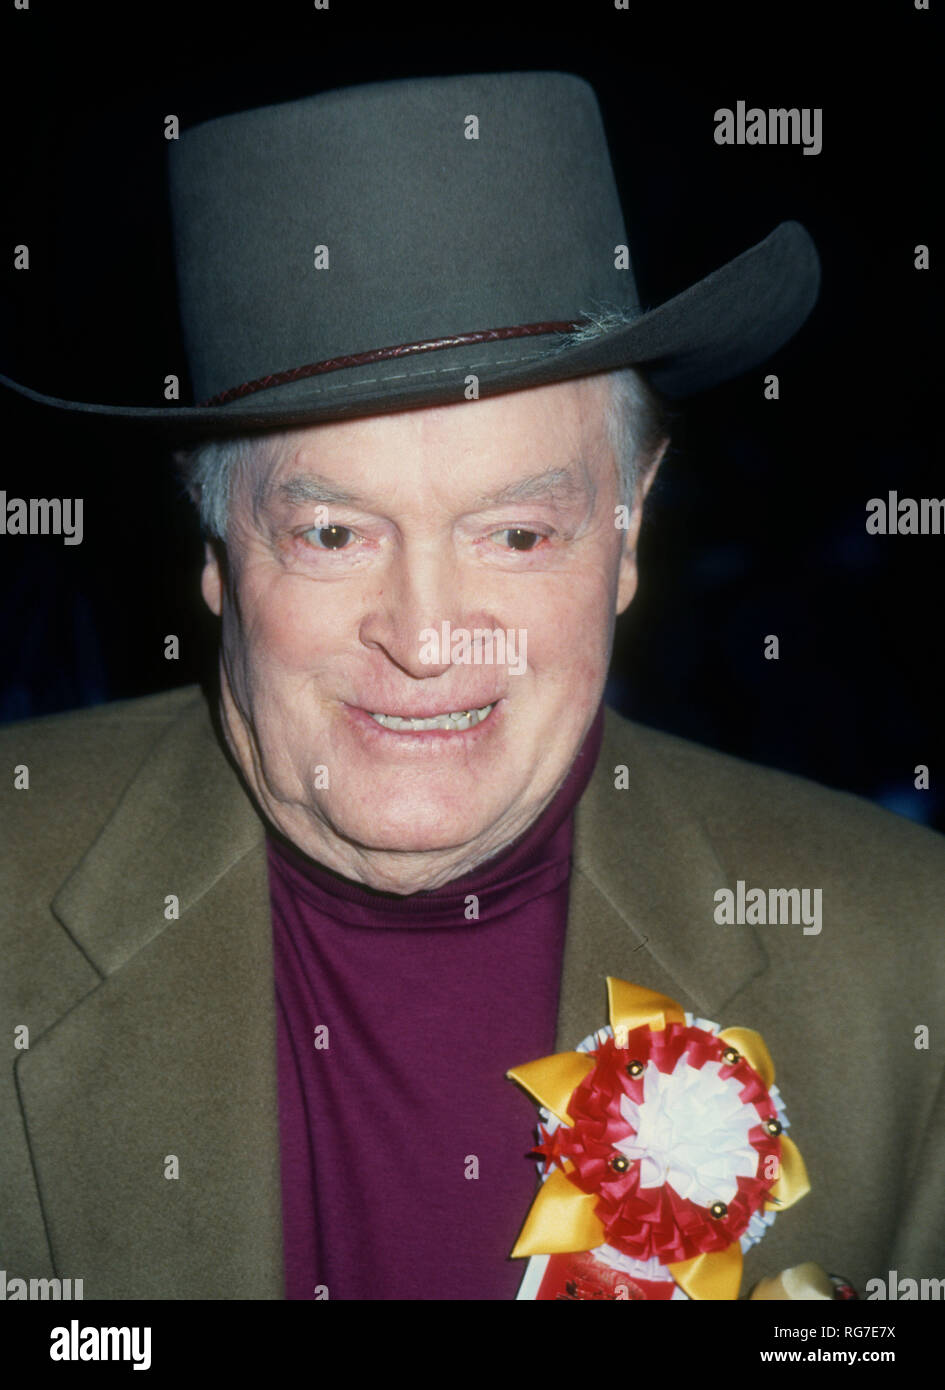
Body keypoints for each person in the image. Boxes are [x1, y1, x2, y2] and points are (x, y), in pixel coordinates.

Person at [1, 71, 942, 1302]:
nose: (429, 639)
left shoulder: (910, 958)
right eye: (334, 534)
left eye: (517, 534)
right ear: (220, 547)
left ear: (631, 528)